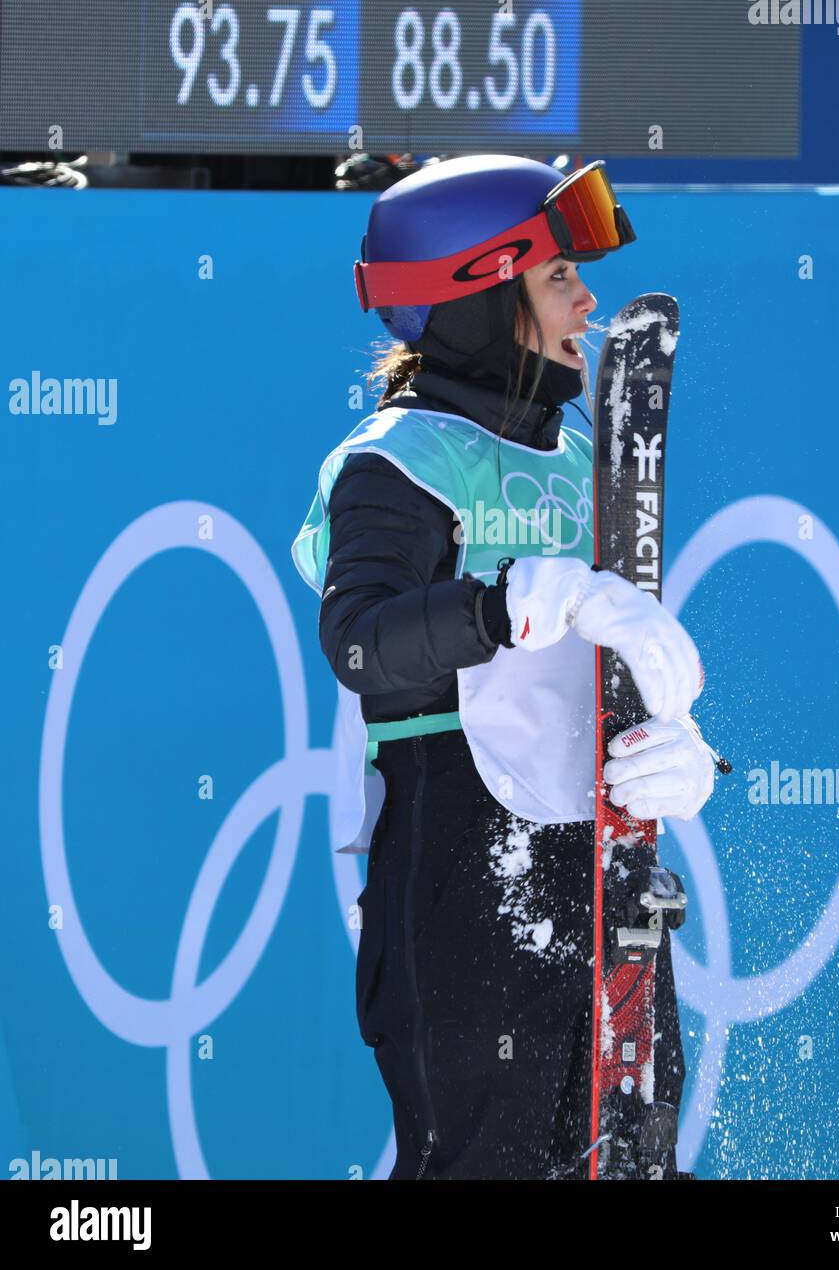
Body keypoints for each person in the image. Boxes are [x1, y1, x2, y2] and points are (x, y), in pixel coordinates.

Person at [292, 154, 716, 1180]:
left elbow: (611, 664)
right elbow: (361, 637)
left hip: (601, 869)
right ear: (483, 291)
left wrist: (685, 749)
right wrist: (513, 601)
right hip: (458, 871)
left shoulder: (581, 459)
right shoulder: (399, 458)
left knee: (637, 1161)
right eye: (560, 275)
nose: (587, 299)